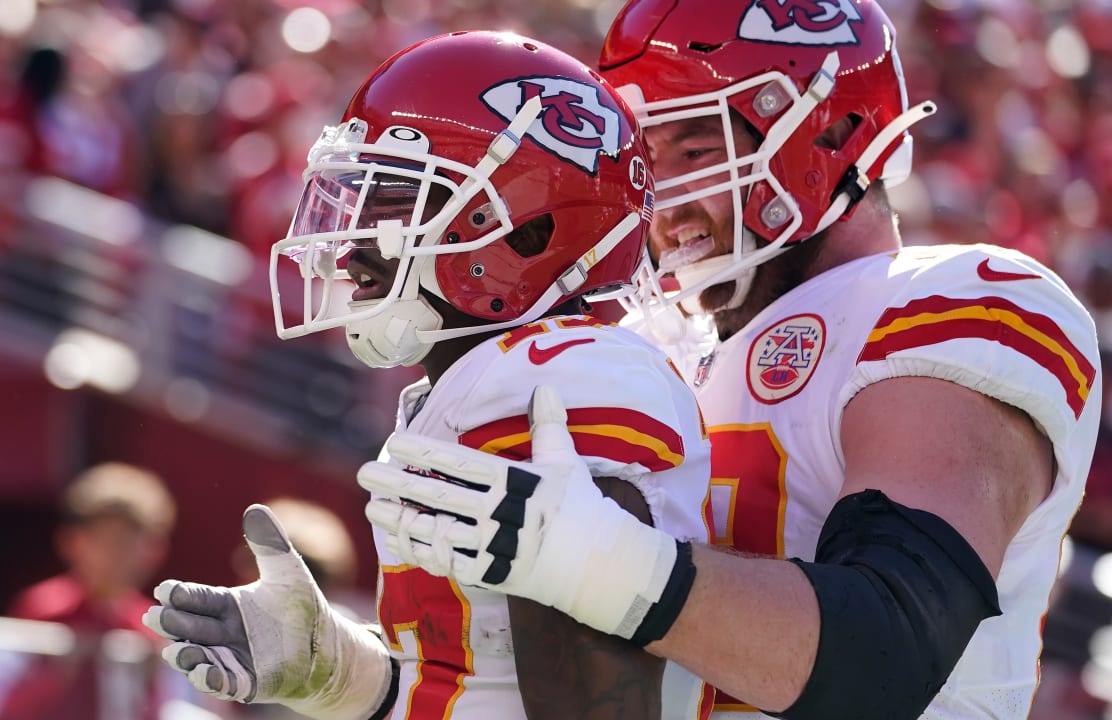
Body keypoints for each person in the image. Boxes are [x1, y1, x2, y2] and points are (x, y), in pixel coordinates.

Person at [357, 3, 1103, 720]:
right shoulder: (652, 353)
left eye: (695, 148)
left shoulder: (949, 304)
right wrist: (361, 684)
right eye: (650, 164)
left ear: (830, 130)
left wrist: (610, 565)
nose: (667, 201)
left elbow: (887, 652)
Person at [141, 31, 713, 720]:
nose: (350, 249)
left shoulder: (560, 386)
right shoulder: (476, 385)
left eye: (391, 205)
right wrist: (354, 679)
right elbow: (484, 685)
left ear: (526, 232)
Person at [1, 462, 176, 720]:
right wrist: (56, 676)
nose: (114, 555)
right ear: (71, 542)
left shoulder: (151, 627)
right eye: (103, 540)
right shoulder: (41, 609)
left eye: (126, 542)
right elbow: (10, 703)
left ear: (154, 550)